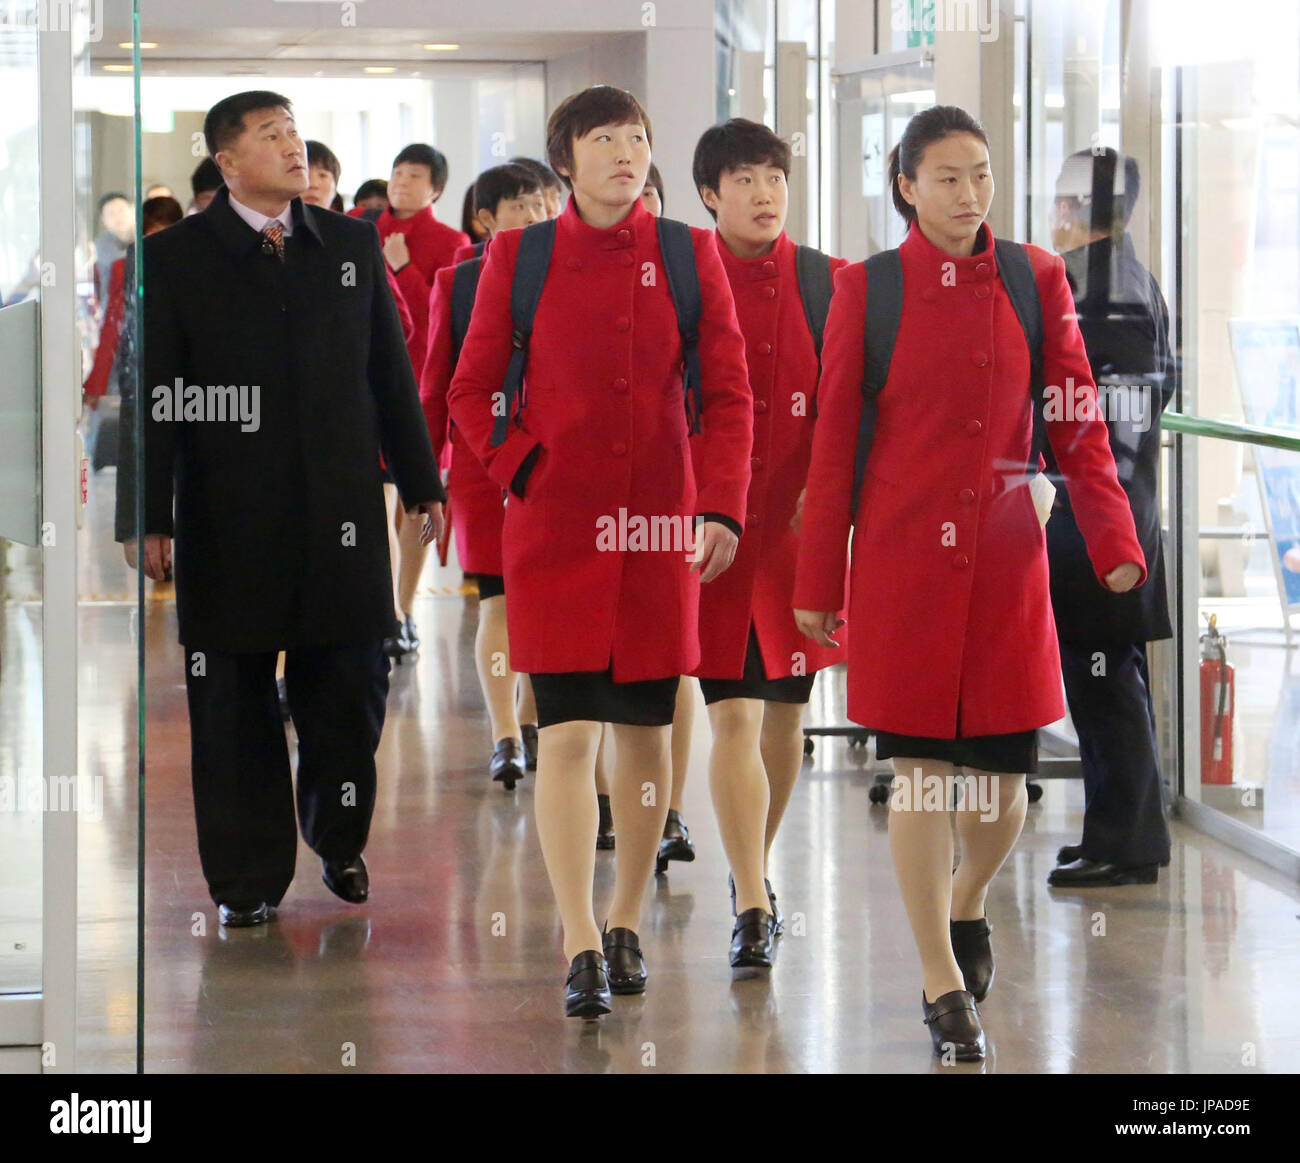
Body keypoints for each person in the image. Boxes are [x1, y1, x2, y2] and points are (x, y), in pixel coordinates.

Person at [793, 105, 1145, 1060]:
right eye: (946, 176)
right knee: (920, 777)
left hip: (1001, 564)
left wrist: (1111, 533)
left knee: (1000, 791)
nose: (968, 193)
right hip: (904, 563)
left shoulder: (1036, 280)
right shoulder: (867, 290)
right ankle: (940, 981)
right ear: (906, 185)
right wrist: (819, 575)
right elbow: (833, 448)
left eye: (981, 174)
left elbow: (1076, 420)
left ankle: (969, 897)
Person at [448, 85, 752, 1018]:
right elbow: (471, 391)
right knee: (569, 733)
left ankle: (626, 918)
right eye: (603, 138)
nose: (625, 151)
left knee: (647, 733)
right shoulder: (519, 255)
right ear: (566, 160)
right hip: (558, 532)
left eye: (638, 137)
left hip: (662, 531)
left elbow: (731, 396)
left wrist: (721, 510)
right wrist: (526, 470)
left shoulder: (689, 252)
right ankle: (578, 933)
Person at [118, 90, 445, 928]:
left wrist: (421, 482)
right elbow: (151, 390)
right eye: (271, 136)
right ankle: (248, 879)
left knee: (350, 685)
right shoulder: (180, 256)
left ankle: (338, 835)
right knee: (232, 702)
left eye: (296, 132)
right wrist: (146, 513)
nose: (294, 148)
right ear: (227, 161)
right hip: (229, 514)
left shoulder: (349, 244)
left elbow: (391, 375)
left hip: (340, 511)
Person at [692, 118, 847, 966]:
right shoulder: (683, 275)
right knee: (734, 714)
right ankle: (753, 896)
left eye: (774, 179)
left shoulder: (829, 281)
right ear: (711, 194)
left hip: (798, 534)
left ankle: (752, 865)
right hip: (713, 530)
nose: (763, 195)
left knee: (787, 717)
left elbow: (858, 405)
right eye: (744, 180)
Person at [1044, 148, 1174, 889]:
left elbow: (1094, 416)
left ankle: (1125, 843)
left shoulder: (1089, 292)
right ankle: (1119, 831)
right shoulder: (1136, 280)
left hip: (1101, 517)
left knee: (1106, 679)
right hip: (1120, 511)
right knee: (1110, 676)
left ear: (1069, 210)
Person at [421, 163, 547, 787]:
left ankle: (528, 719)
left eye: (542, 201)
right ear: (485, 219)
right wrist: (424, 475)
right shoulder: (461, 282)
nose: (534, 213)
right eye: (519, 205)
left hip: (554, 462)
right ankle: (505, 734)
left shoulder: (568, 273)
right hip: (480, 463)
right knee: (497, 596)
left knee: (543, 598)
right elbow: (438, 383)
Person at [377, 143, 471, 658]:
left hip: (422, 394)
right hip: (369, 393)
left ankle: (406, 608)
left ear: (435, 188)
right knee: (374, 505)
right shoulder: (357, 230)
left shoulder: (450, 241)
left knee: (416, 505)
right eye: (397, 174)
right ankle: (381, 611)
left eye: (415, 176)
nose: (402, 183)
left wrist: (405, 267)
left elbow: (437, 320)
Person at [92, 192, 133, 314]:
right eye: (111, 213)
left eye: (121, 211)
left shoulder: (144, 237)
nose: (117, 217)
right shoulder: (100, 244)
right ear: (103, 220)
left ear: (132, 211)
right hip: (112, 309)